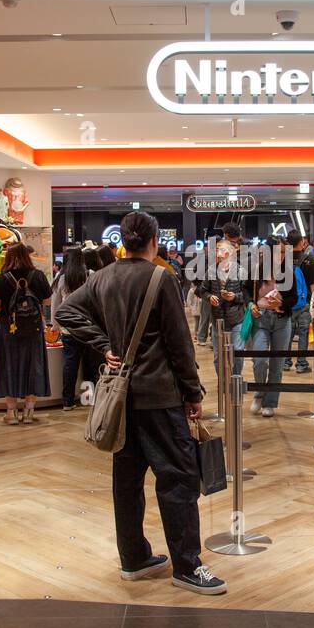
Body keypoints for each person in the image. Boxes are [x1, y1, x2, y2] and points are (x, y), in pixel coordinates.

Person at [55, 211, 225, 595]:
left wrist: (103, 345)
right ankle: (187, 566)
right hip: (160, 396)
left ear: (123, 241)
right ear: (153, 241)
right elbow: (179, 342)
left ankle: (133, 559)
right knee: (179, 480)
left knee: (127, 481)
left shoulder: (103, 276)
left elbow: (66, 311)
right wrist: (193, 392)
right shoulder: (161, 278)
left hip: (119, 400)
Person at [0, 242, 53, 424]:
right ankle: (29, 412)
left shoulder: (2, 278)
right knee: (32, 366)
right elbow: (48, 301)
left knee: (9, 366)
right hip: (33, 329)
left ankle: (11, 413)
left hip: (9, 329)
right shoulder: (38, 276)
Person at [245, 237, 299, 417]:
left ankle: (270, 402)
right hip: (260, 318)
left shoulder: (289, 272)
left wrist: (280, 305)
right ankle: (259, 392)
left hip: (282, 320)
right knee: (259, 359)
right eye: (277, 252)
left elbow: (295, 299)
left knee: (277, 364)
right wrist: (251, 304)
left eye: (283, 252)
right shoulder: (257, 271)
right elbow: (246, 292)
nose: (281, 256)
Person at [52, 245, 101, 410]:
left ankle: (67, 401)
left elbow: (56, 305)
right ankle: (88, 398)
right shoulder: (90, 275)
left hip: (68, 328)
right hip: (88, 326)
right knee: (89, 364)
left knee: (70, 364)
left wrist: (55, 325)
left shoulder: (62, 279)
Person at [194, 233, 248, 381]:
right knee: (219, 357)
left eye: (219, 248)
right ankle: (224, 383)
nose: (216, 252)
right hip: (218, 320)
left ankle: (236, 382)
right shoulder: (211, 270)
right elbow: (201, 290)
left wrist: (234, 297)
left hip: (237, 319)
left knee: (237, 353)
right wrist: (209, 297)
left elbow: (248, 295)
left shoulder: (240, 271)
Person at [287, 232, 314, 373]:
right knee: (304, 332)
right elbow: (313, 285)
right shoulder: (309, 260)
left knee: (287, 332)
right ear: (301, 242)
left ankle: (285, 362)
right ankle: (301, 364)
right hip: (304, 302)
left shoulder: (283, 259)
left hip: (287, 302)